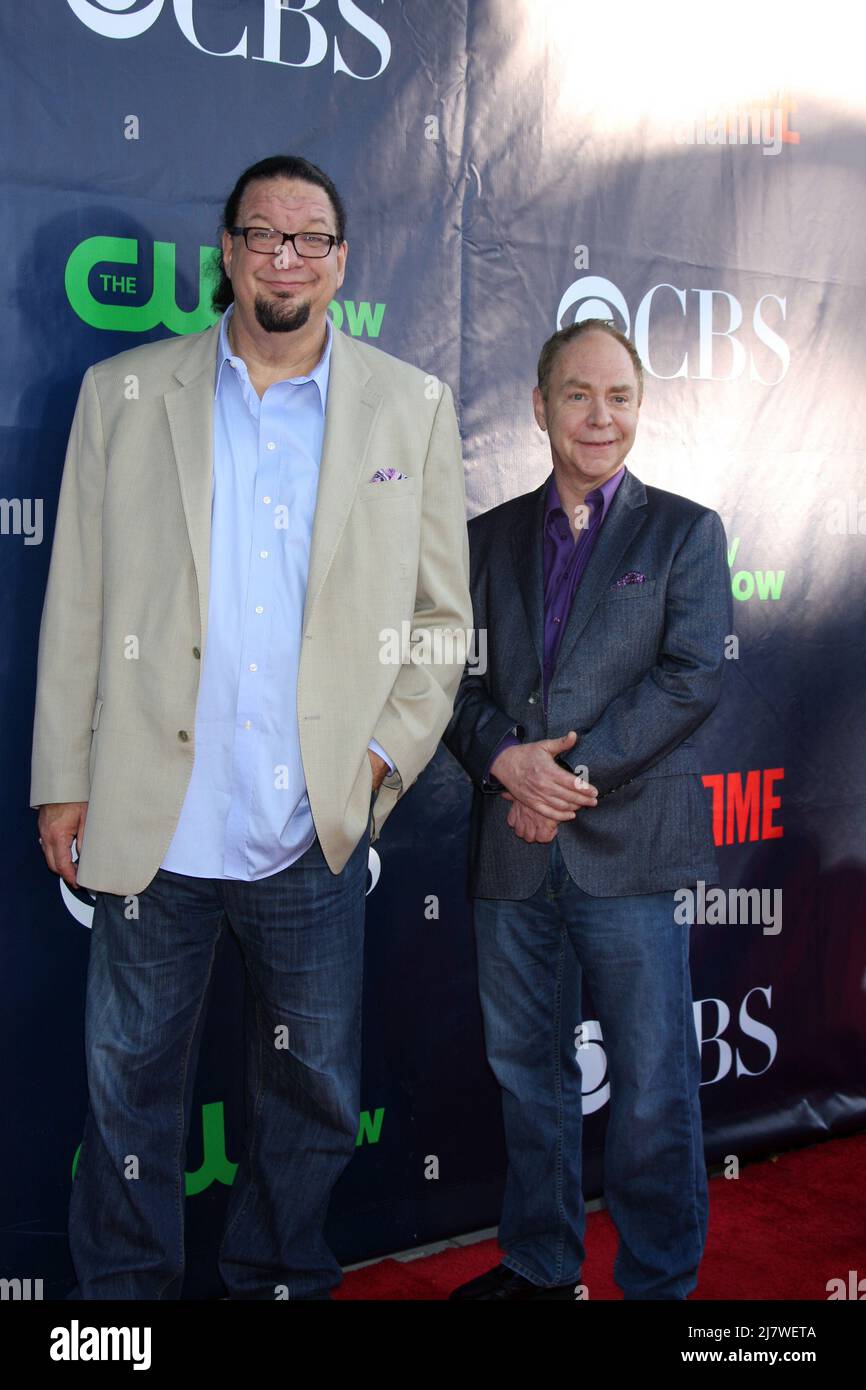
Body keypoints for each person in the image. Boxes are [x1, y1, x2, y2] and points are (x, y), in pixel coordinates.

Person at [30, 154, 470, 1300]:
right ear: (225, 251)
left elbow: (439, 621)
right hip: (149, 828)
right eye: (262, 236)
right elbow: (75, 598)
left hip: (310, 835)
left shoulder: (409, 407)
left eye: (309, 239)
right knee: (127, 1094)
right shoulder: (123, 395)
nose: (285, 257)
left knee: (314, 1092)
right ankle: (119, 1310)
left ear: (340, 262)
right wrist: (59, 782)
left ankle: (277, 1281)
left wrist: (377, 763)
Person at [443, 319, 732, 1300]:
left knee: (650, 1089)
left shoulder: (684, 532)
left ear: (638, 410)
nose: (597, 415)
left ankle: (656, 1282)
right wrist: (502, 762)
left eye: (617, 396)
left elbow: (691, 676)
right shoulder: (481, 541)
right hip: (509, 857)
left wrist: (562, 782)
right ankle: (538, 1264)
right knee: (529, 1076)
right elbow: (451, 682)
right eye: (576, 394)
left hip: (627, 853)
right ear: (538, 407)